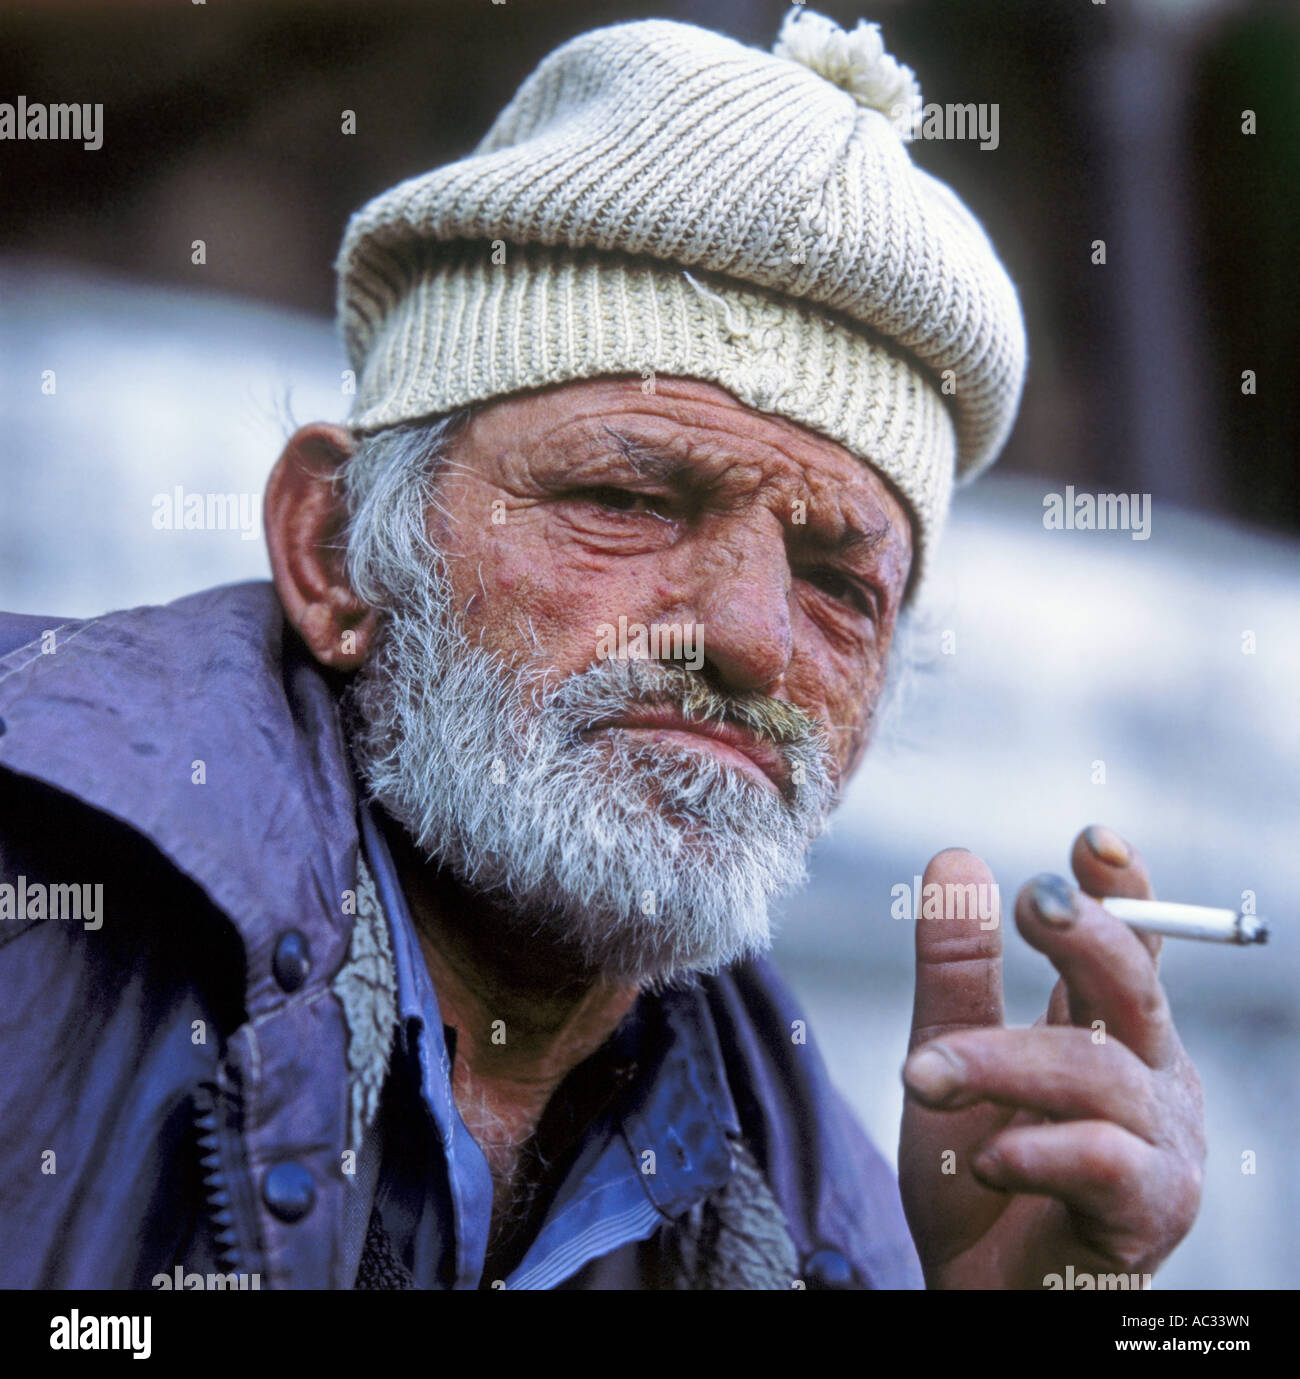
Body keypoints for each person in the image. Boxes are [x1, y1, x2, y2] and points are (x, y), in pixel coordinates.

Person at [0, 10, 1203, 1290]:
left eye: (838, 584)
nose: (748, 638)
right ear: (336, 549)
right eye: (626, 500)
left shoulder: (826, 1221)